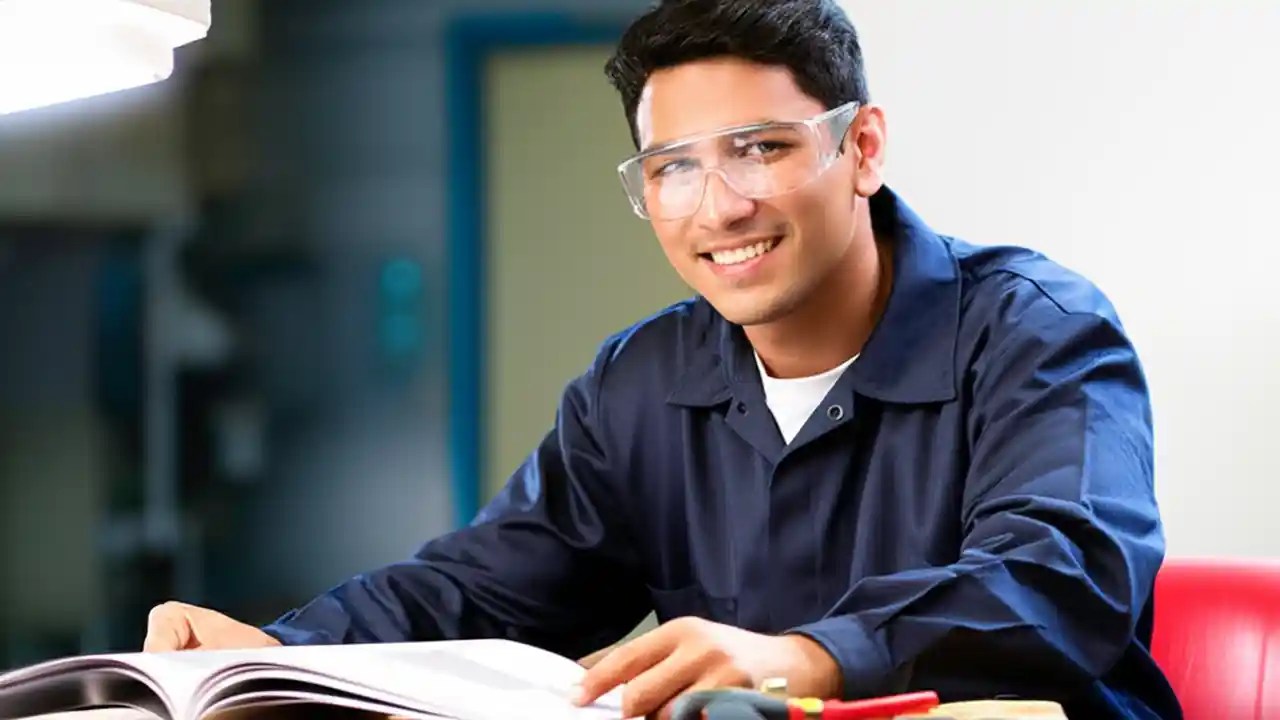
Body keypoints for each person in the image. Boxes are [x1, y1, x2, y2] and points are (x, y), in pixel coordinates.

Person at [143, 1, 1184, 718]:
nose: (716, 207)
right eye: (671, 169)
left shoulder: (1034, 332)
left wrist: (809, 656)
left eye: (761, 149)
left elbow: (1060, 577)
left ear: (859, 148)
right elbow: (483, 591)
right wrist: (278, 654)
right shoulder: (637, 385)